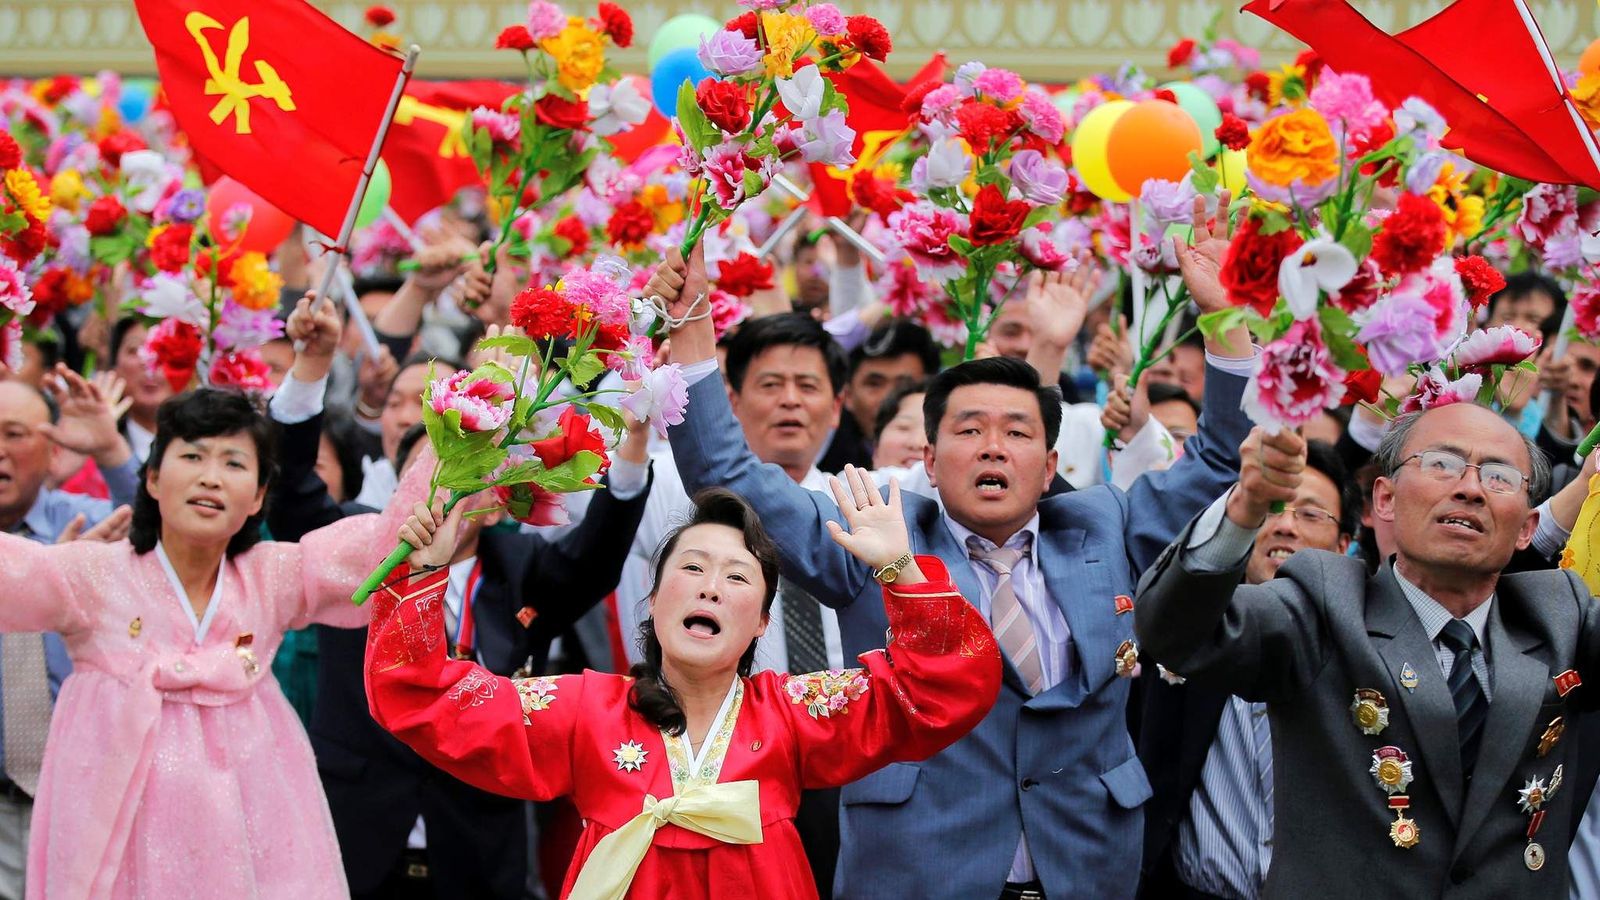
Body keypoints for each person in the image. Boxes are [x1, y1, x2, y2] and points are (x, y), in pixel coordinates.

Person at [653, 204, 1258, 897]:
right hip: (920, 871)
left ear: (1051, 465)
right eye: (970, 430)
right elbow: (725, 472)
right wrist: (692, 326)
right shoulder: (875, 536)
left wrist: (1224, 316)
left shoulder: (1105, 525)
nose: (993, 447)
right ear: (931, 463)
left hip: (1088, 867)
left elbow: (1221, 459)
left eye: (1017, 433)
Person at [365, 479, 1003, 900]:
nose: (710, 587)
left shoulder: (794, 712)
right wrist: (427, 571)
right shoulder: (584, 711)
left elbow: (937, 691)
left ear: (761, 622)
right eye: (692, 567)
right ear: (653, 600)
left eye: (737, 577)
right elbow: (427, 699)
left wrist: (899, 567)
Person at [266, 302, 653, 900]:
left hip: (477, 854)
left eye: (472, 469)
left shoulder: (521, 570)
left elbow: (595, 560)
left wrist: (632, 449)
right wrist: (312, 366)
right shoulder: (363, 550)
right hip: (358, 841)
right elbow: (292, 490)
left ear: (498, 502)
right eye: (435, 470)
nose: (447, 488)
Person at [1134, 403, 1600, 897]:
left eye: (1499, 476)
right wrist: (1244, 509)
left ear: (1528, 527)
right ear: (1385, 499)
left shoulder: (1558, 614)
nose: (1470, 488)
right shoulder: (1325, 602)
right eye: (1441, 464)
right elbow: (1173, 632)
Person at [0, 386, 434, 899]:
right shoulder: (91, 575)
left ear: (257, 496)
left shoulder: (271, 577)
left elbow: (382, 545)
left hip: (251, 831)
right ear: (153, 478)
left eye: (233, 462)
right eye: (192, 456)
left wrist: (464, 431)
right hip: (121, 838)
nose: (210, 476)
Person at [1137, 441, 1359, 900]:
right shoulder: (1190, 632)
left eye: (1310, 514)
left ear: (1344, 545)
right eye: (1273, 509)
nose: (1286, 526)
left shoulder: (1367, 646)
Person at [818, 322, 941, 474]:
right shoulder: (820, 460)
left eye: (905, 386)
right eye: (874, 384)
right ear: (847, 395)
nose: (888, 398)